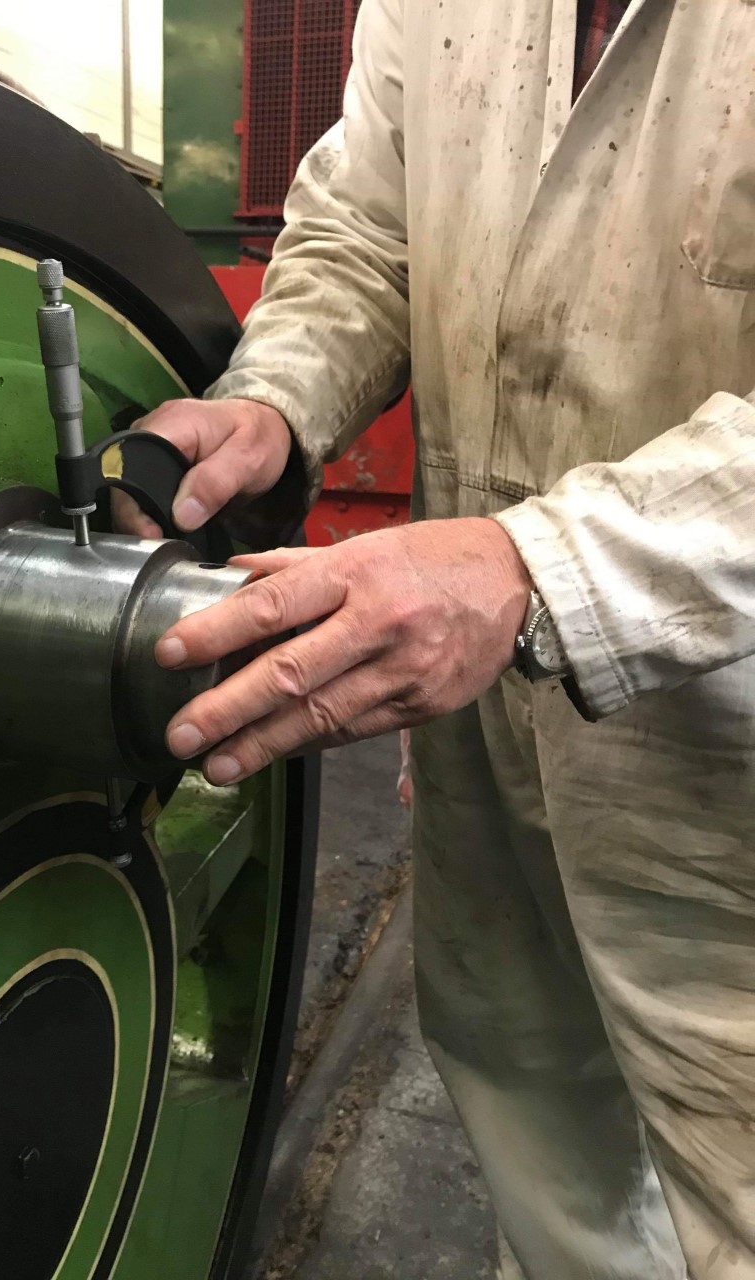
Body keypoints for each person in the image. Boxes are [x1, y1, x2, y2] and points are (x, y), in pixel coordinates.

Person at [116, 1, 755, 1276]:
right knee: (544, 1152)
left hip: (722, 747)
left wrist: (536, 565)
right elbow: (368, 230)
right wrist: (274, 402)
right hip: (481, 718)